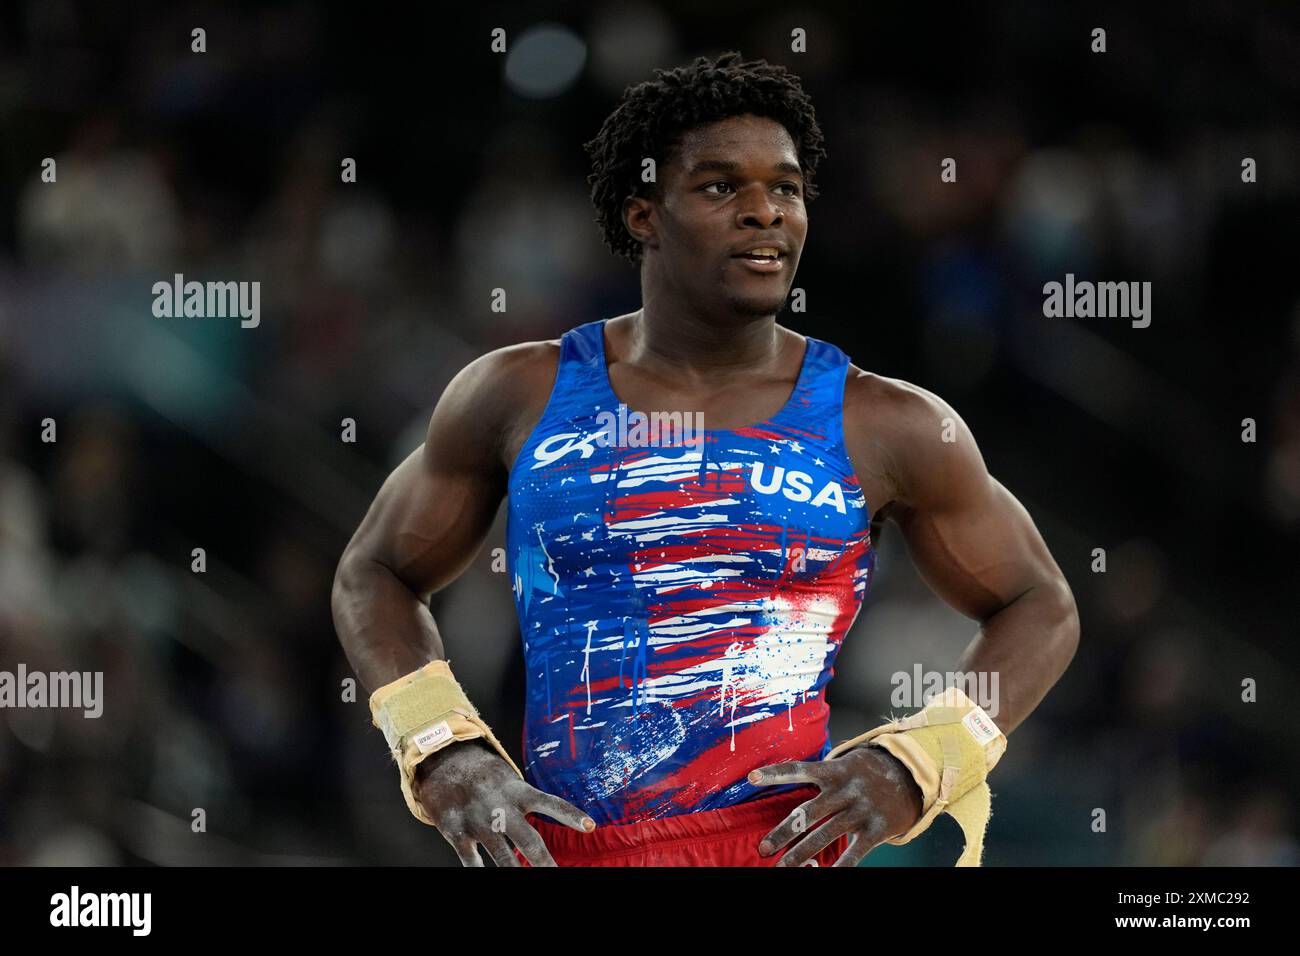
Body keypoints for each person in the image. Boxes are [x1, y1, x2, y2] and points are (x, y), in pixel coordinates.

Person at [331, 51, 1079, 867]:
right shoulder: (517, 393)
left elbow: (1039, 603)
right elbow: (373, 571)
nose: (766, 213)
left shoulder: (885, 422)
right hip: (562, 852)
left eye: (786, 189)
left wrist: (923, 759)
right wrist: (442, 749)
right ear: (643, 213)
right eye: (723, 187)